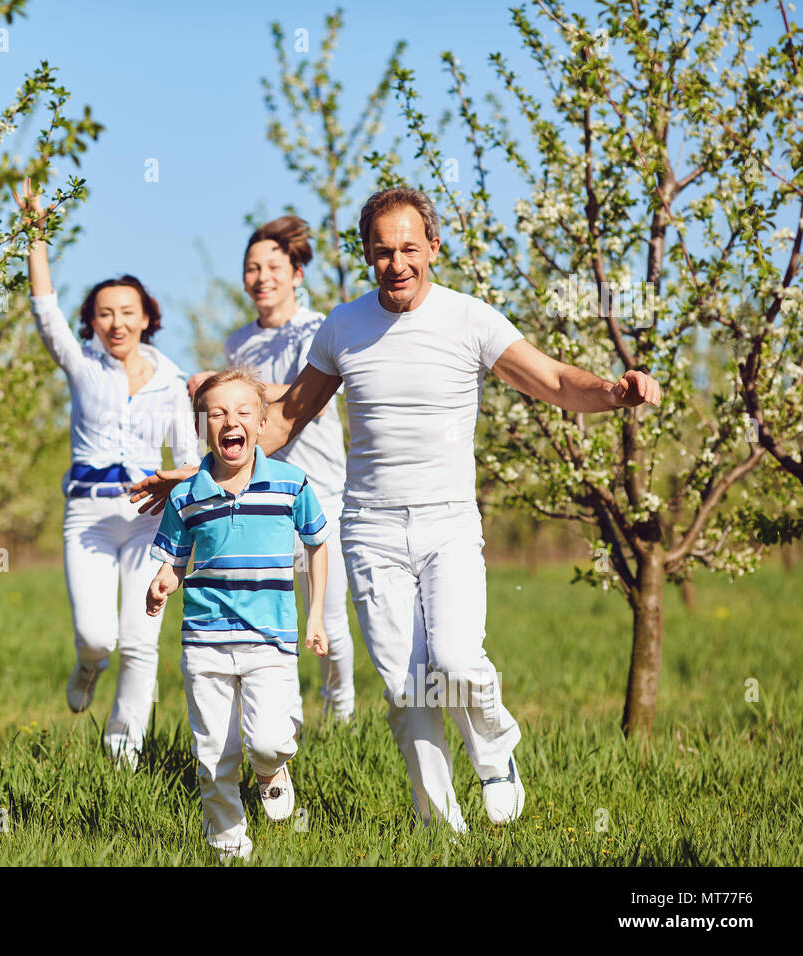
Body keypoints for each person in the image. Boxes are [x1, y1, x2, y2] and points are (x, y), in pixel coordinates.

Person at [134, 187, 662, 833]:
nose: (397, 262)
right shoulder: (344, 327)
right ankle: (442, 831)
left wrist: (614, 390)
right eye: (382, 251)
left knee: (458, 662)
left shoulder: (471, 319)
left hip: (446, 522)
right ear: (366, 257)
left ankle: (496, 748)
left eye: (409, 248)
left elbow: (550, 381)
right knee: (408, 689)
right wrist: (196, 477)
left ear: (434, 248)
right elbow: (287, 419)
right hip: (371, 528)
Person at [14, 179, 199, 769]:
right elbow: (45, 311)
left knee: (142, 643)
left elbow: (192, 458)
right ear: (91, 323)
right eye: (103, 314)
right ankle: (88, 665)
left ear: (147, 318)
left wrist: (175, 492)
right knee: (100, 636)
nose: (116, 323)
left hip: (148, 522)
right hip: (89, 516)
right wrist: (34, 231)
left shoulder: (175, 382)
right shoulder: (81, 366)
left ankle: (123, 752)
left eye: (127, 312)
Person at [145, 367, 329, 860]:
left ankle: (271, 769)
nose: (232, 420)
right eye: (219, 413)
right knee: (214, 753)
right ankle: (228, 841)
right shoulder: (186, 495)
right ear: (203, 425)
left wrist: (315, 616)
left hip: (271, 638)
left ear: (262, 422)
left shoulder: (290, 484)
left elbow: (317, 543)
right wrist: (164, 582)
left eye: (244, 411)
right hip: (204, 640)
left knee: (268, 741)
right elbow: (175, 559)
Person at [187, 215, 355, 721]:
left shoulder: (321, 328)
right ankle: (286, 715)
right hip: (257, 492)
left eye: (274, 267)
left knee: (325, 610)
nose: (262, 277)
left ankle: (340, 703)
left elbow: (316, 403)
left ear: (297, 274)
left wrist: (221, 386)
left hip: (319, 484)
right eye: (252, 267)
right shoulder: (239, 342)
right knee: (272, 607)